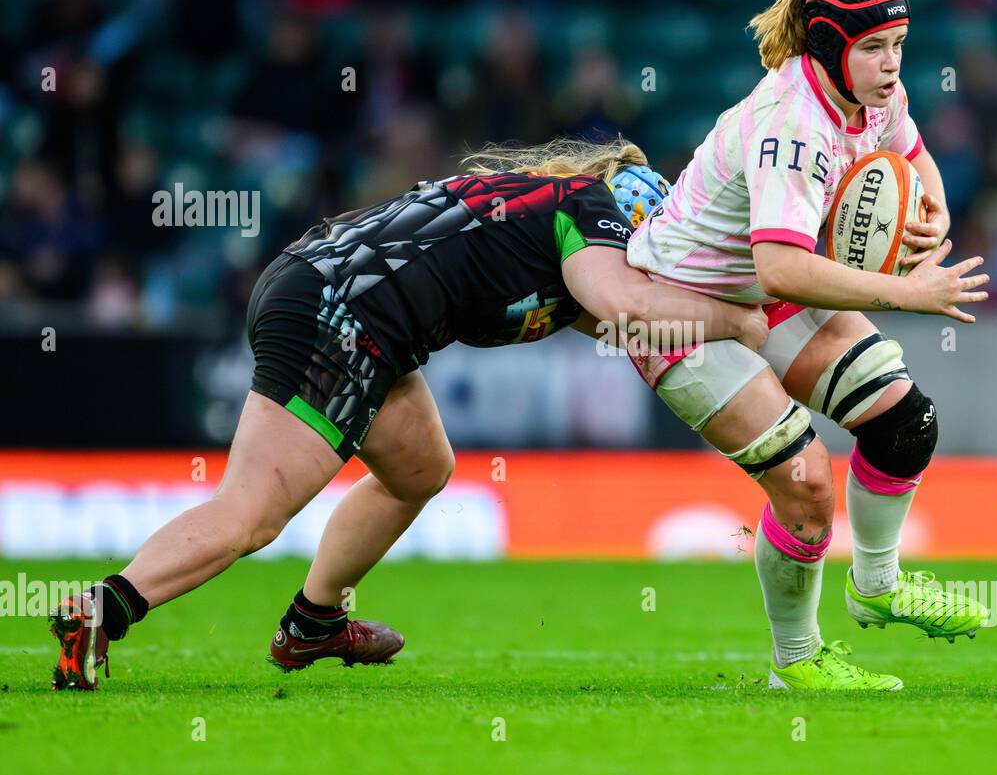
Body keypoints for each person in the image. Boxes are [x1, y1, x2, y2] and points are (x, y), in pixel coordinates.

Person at [50, 139, 767, 691]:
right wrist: (742, 321)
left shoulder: (562, 237)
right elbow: (631, 309)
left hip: (347, 306)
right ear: (633, 222)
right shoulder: (587, 206)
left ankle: (314, 622)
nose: (653, 270)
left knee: (421, 467)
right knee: (252, 516)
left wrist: (730, 347)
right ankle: (103, 609)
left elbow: (630, 329)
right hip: (340, 312)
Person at [625, 0, 991, 691]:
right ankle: (796, 664)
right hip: (681, 309)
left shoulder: (877, 95)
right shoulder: (793, 123)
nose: (891, 64)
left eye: (900, 44)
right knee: (806, 483)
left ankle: (878, 586)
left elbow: (916, 164)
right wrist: (905, 293)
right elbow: (786, 266)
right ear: (830, 47)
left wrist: (936, 216)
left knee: (904, 421)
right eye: (874, 47)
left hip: (760, 294)